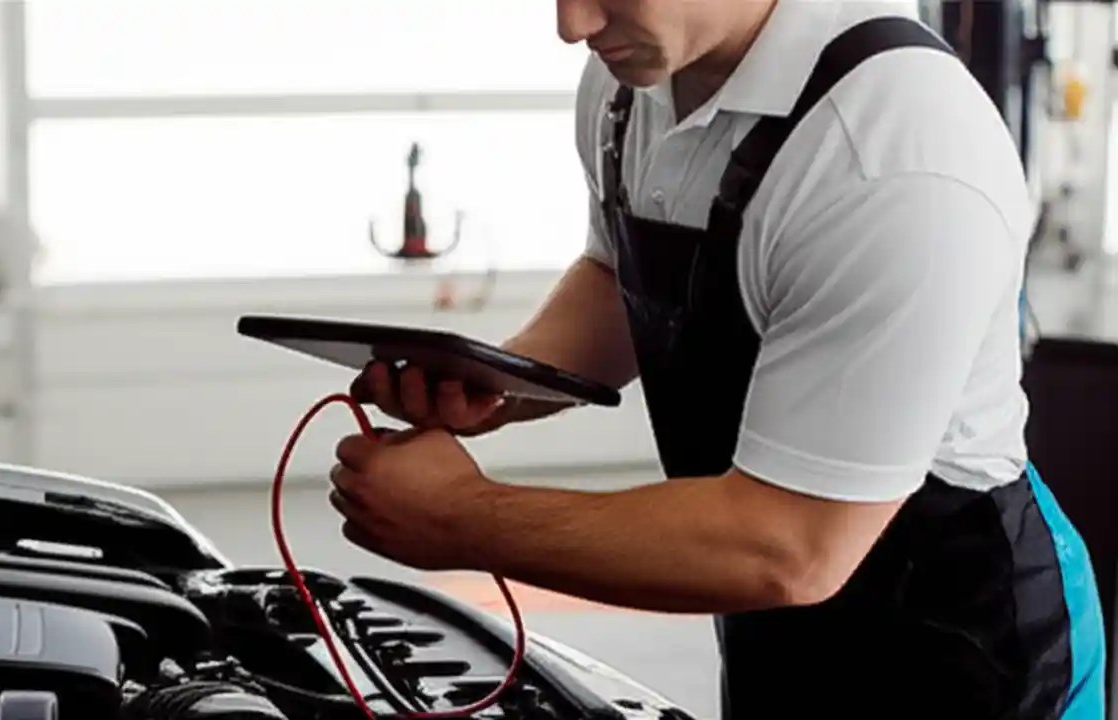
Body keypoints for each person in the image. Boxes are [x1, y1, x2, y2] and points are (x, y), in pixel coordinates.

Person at [334, 0, 1106, 718]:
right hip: (772, 616)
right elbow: (620, 273)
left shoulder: (894, 150)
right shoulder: (629, 79)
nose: (572, 24)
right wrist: (503, 379)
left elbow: (795, 545)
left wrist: (461, 520)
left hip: (966, 644)